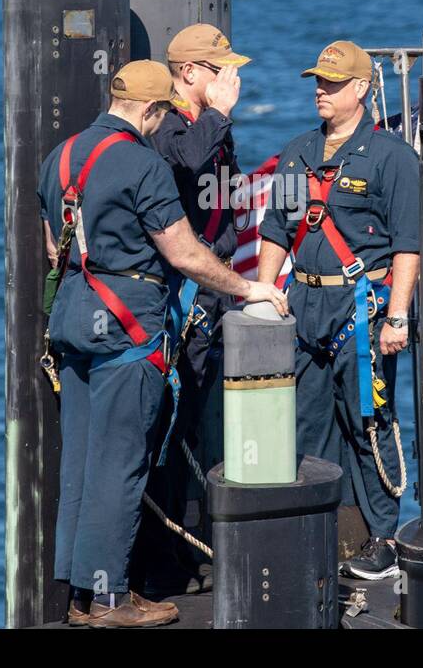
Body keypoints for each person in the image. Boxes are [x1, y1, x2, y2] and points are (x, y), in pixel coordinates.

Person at [38, 60, 287, 628]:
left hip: (74, 323)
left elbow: (55, 249)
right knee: (121, 464)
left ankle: (78, 598)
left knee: (79, 461)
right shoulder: (143, 164)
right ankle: (110, 601)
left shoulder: (60, 157)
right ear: (150, 111)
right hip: (128, 326)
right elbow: (184, 254)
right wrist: (249, 286)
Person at [256, 40, 420, 580]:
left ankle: (385, 537)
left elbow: (407, 246)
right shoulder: (298, 151)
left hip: (361, 309)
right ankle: (322, 528)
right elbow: (276, 230)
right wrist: (262, 294)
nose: (320, 92)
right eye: (316, 83)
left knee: (366, 421)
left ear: (362, 89)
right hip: (303, 305)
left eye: (331, 83)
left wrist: (397, 317)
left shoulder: (392, 157)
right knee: (305, 425)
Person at [140, 24, 249, 589]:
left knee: (201, 420)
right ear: (187, 73)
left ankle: (193, 533)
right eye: (217, 69)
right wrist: (220, 114)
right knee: (172, 420)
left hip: (213, 288)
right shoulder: (170, 126)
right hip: (185, 293)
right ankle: (161, 548)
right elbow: (183, 162)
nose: (228, 78)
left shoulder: (207, 124)